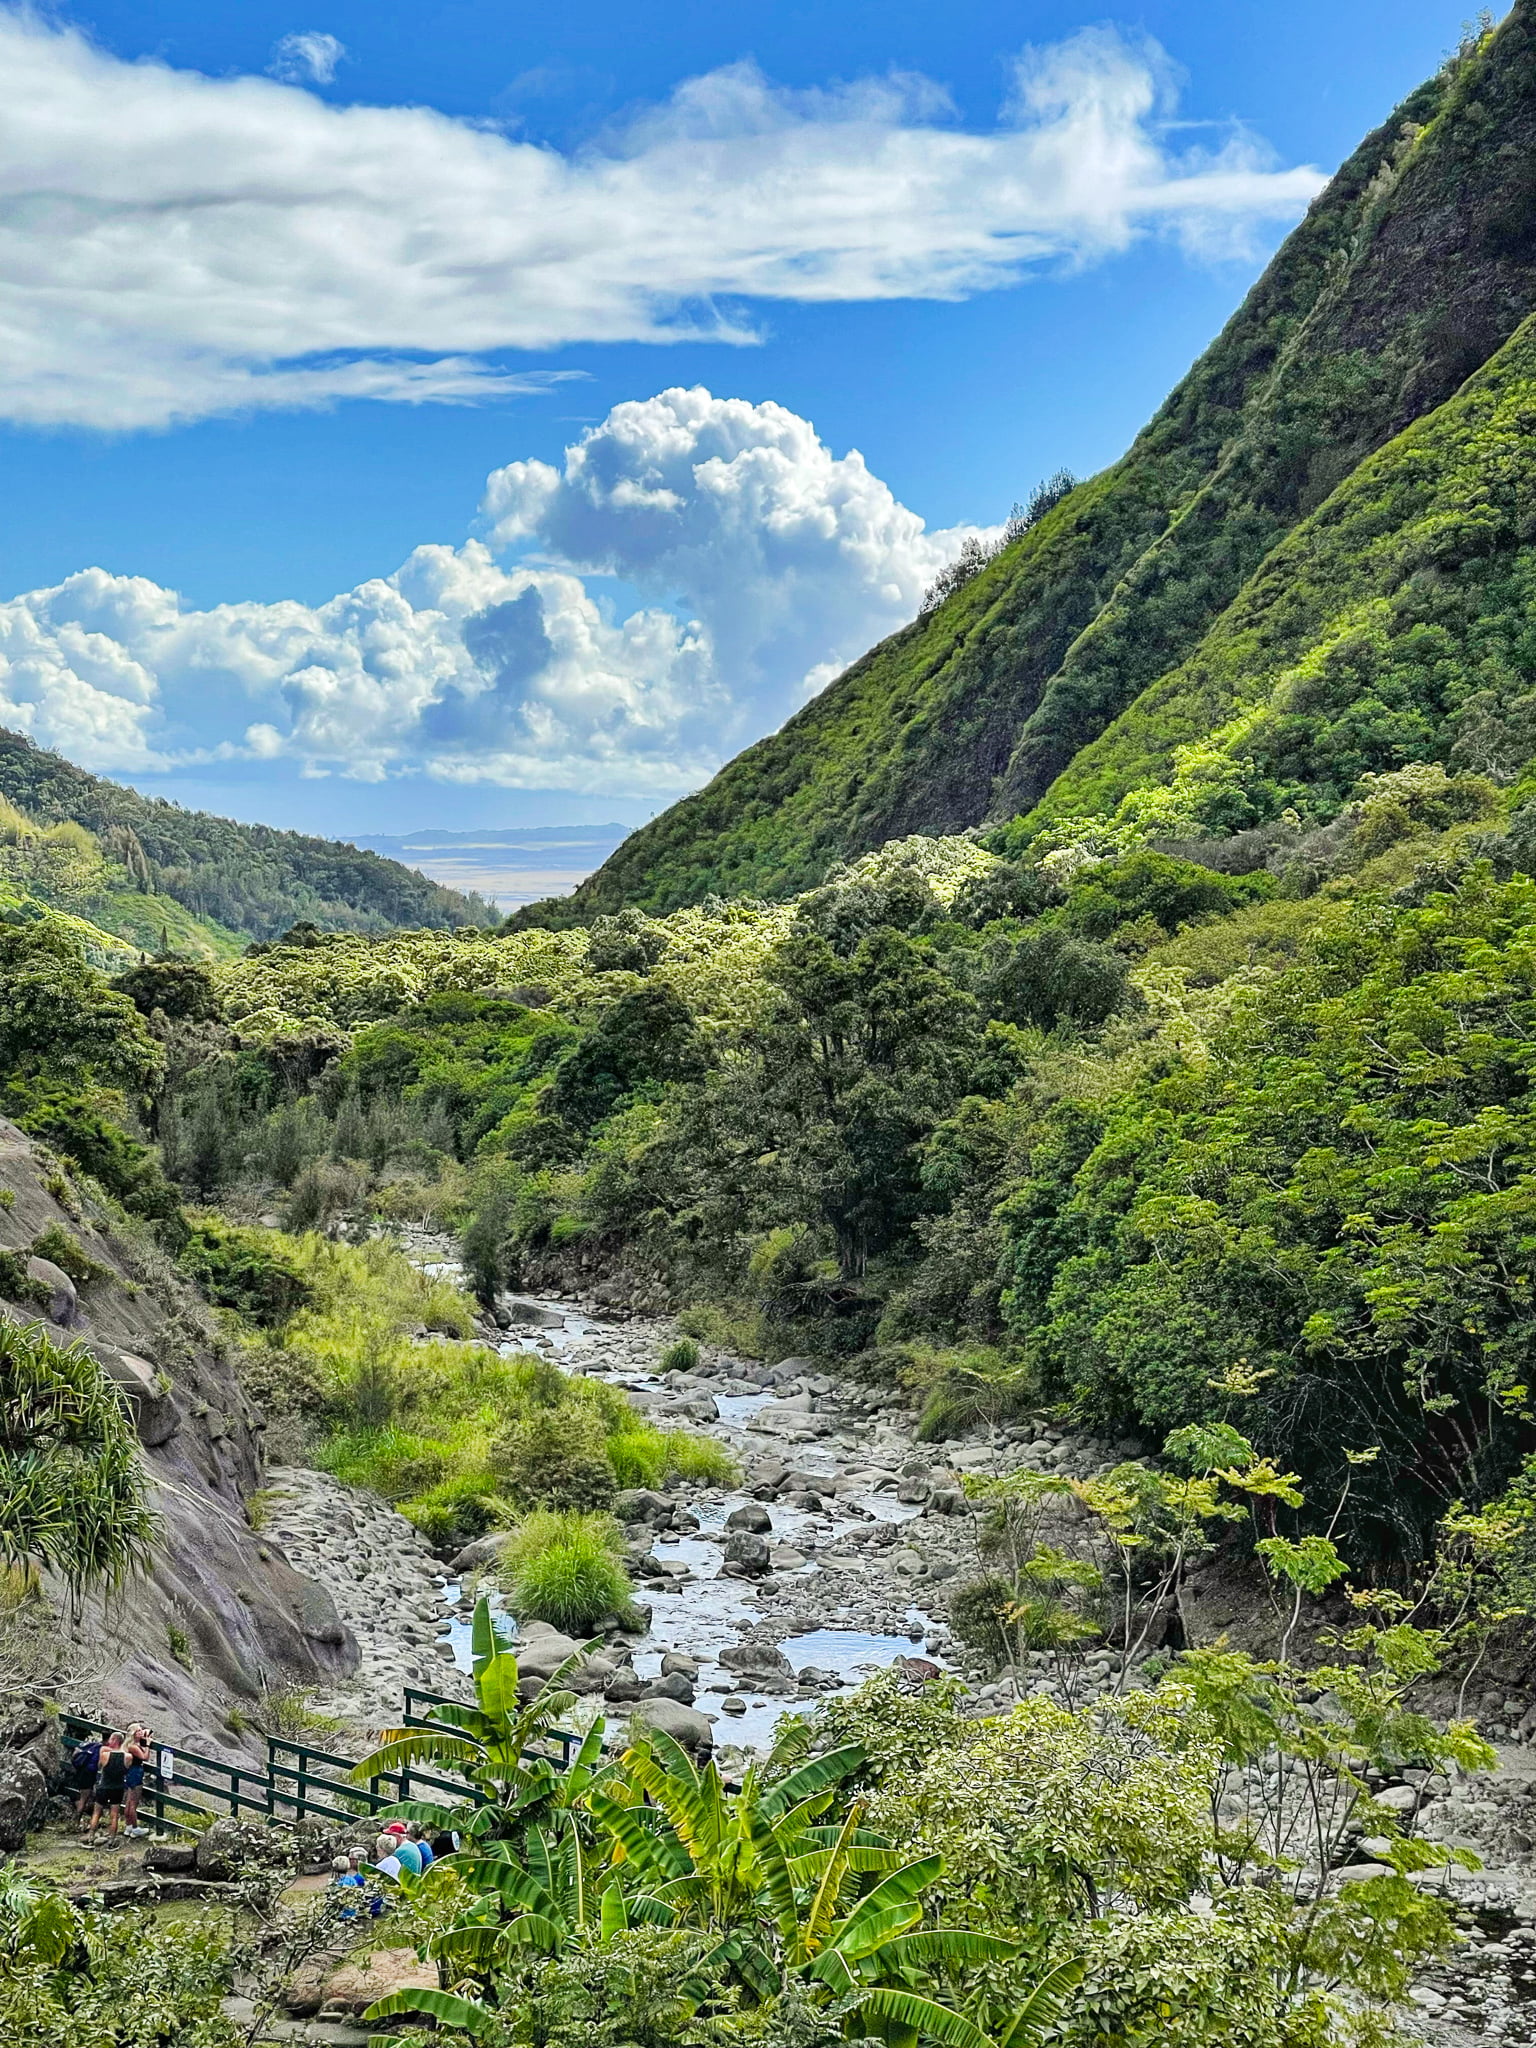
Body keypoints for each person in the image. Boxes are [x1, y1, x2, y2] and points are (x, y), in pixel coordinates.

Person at [89, 1733, 129, 1842]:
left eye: (111, 1739)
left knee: (97, 1812)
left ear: (115, 1740)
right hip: (117, 1787)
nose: (108, 1742)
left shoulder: (105, 1755)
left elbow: (99, 1766)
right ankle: (112, 1840)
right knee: (114, 1814)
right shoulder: (128, 1757)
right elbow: (126, 1770)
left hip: (104, 1786)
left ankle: (91, 1837)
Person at [123, 1726, 152, 1836]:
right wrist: (148, 1744)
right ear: (134, 1733)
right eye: (138, 1731)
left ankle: (128, 1826)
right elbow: (145, 1757)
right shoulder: (133, 1747)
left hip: (131, 1773)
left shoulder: (130, 1745)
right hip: (136, 1773)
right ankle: (135, 1828)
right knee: (133, 1803)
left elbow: (150, 1731)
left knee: (129, 1801)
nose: (141, 1732)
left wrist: (146, 1734)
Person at [68, 1735, 101, 1823]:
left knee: (80, 1797)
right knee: (83, 1799)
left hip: (80, 1771)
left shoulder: (93, 1745)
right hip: (88, 1775)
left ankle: (75, 1819)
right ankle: (75, 1821)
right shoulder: (101, 1749)